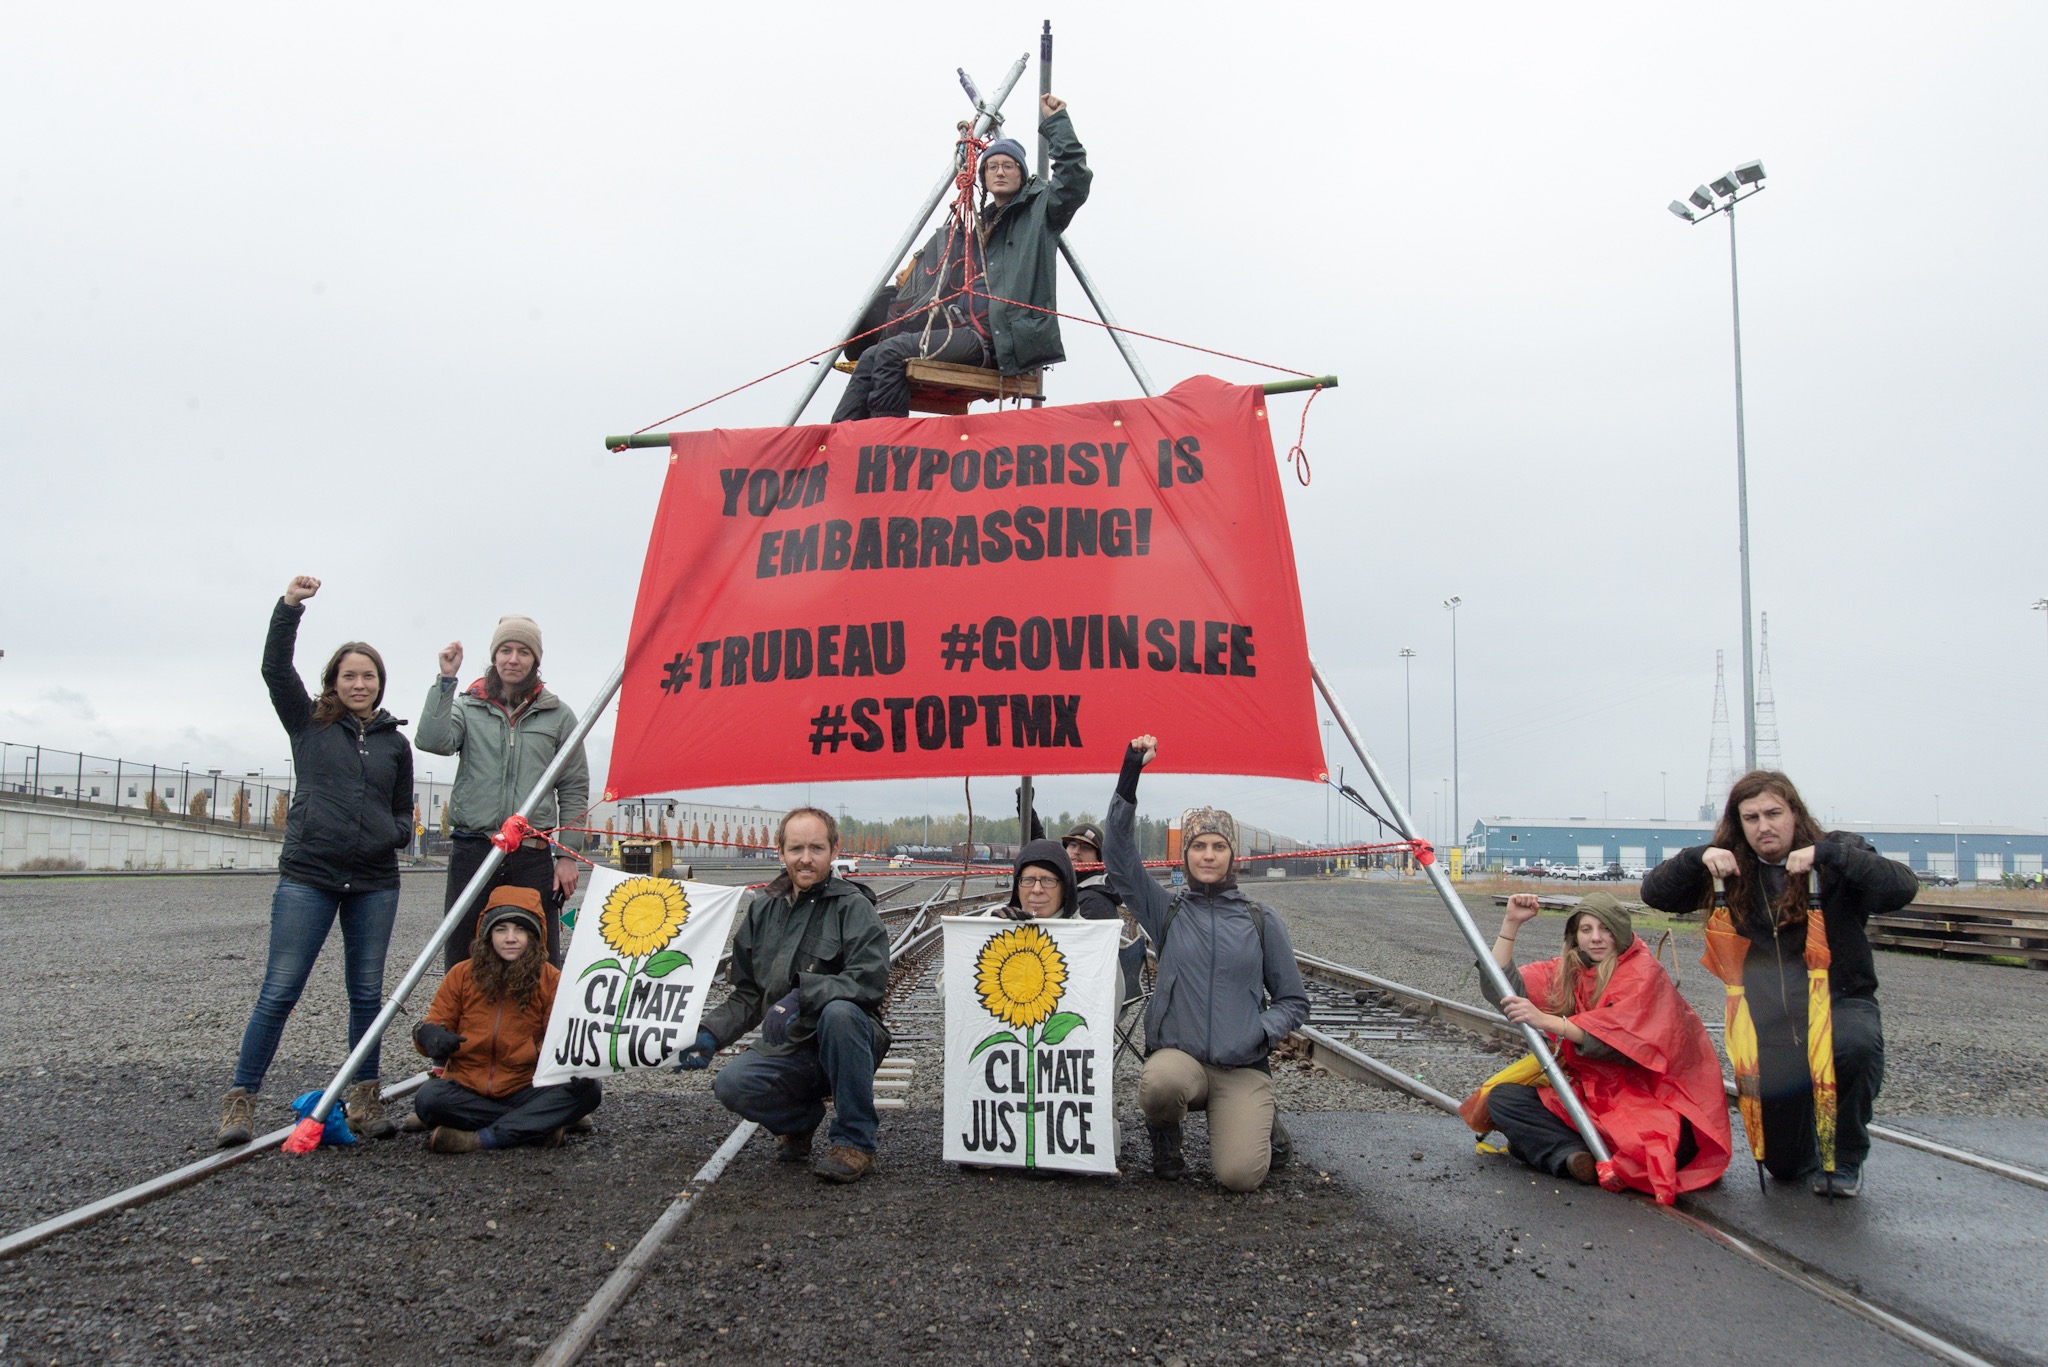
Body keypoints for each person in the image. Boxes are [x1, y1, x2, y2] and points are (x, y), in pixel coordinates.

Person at [1642, 771, 1915, 1197]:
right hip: (1772, 1025)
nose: (1763, 826)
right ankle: (1806, 1142)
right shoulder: (1731, 867)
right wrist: (1698, 857)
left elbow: (1901, 887)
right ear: (1738, 823)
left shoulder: (1837, 854)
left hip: (1840, 1003)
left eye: (1773, 813)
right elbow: (1655, 893)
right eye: (1751, 818)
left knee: (1853, 1046)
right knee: (1785, 1167)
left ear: (1794, 814)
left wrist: (1830, 855)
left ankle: (1844, 1155)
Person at [219, 575, 412, 1147]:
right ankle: (240, 1102)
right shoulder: (309, 724)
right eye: (349, 675)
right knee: (280, 989)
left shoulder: (395, 743)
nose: (359, 684)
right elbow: (275, 669)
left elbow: (402, 811)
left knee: (368, 996)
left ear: (380, 684)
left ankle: (365, 1099)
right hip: (309, 876)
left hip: (375, 882)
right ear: (333, 682)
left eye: (368, 676)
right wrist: (289, 608)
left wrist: (393, 834)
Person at [1106, 734, 1310, 1191]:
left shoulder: (1261, 920)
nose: (1209, 855)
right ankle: (1165, 1135)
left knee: (1239, 1178)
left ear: (1233, 855)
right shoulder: (1167, 911)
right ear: (1186, 855)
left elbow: (1294, 1001)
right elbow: (1118, 857)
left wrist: (1260, 1031)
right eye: (1199, 846)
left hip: (1242, 1065)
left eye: (1218, 846)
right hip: (1181, 1061)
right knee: (1159, 1084)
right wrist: (1130, 773)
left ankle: (1263, 1120)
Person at [831, 93, 1091, 423]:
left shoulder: (1038, 213)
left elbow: (1074, 180)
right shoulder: (981, 228)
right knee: (871, 355)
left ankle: (885, 440)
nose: (1000, 172)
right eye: (992, 167)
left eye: (1008, 166)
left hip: (997, 340)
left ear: (1021, 174)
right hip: (966, 330)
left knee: (892, 353)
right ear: (983, 178)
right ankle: (835, 438)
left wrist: (1057, 124)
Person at [1465, 892, 1731, 1203]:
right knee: (1504, 1099)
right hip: (1595, 1098)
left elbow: (1622, 1045)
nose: (1595, 938)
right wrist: (1510, 924)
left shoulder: (1643, 972)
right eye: (1586, 929)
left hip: (1653, 1101)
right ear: (1575, 936)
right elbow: (1502, 990)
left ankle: (1567, 1150)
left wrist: (1550, 1022)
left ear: (1620, 932)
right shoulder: (1570, 970)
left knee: (1661, 1142)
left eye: (1605, 929)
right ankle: (1576, 1156)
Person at [675, 807, 892, 1183]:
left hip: (847, 1044)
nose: (805, 859)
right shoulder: (763, 910)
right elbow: (748, 993)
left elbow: (869, 979)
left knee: (839, 1014)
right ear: (780, 852)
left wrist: (802, 996)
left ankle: (855, 1142)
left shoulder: (852, 907)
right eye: (796, 849)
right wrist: (709, 1033)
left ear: (834, 850)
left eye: (816, 848)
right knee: (732, 1085)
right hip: (791, 1046)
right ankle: (800, 1121)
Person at [417, 615, 589, 969]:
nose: (513, 659)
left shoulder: (558, 716)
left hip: (531, 853)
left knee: (538, 952)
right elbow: (432, 742)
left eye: (523, 652)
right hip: (474, 848)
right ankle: (462, 1006)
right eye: (505, 650)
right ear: (494, 656)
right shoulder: (467, 707)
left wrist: (567, 855)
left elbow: (573, 787)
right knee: (464, 950)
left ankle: (537, 1008)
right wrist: (446, 681)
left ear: (535, 660)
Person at [409, 887, 601, 1151]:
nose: (510, 938)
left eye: (520, 930)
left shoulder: (551, 979)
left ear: (534, 935)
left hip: (525, 1087)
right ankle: (536, 1126)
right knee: (429, 1099)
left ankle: (480, 1138)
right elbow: (436, 1023)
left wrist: (567, 1062)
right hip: (468, 1087)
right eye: (501, 930)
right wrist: (428, 1035)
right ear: (487, 934)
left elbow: (559, 1041)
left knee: (589, 1089)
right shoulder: (461, 974)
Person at [998, 836, 1122, 921]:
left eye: (1048, 881)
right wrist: (992, 924)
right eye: (1028, 880)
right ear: (1017, 888)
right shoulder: (998, 922)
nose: (1037, 889)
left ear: (1065, 889)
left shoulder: (1086, 931)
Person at [1060, 822, 1122, 921]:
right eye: (1072, 845)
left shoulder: (1094, 902)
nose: (1076, 851)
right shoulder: (1070, 887)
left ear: (1099, 859)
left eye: (1085, 847)